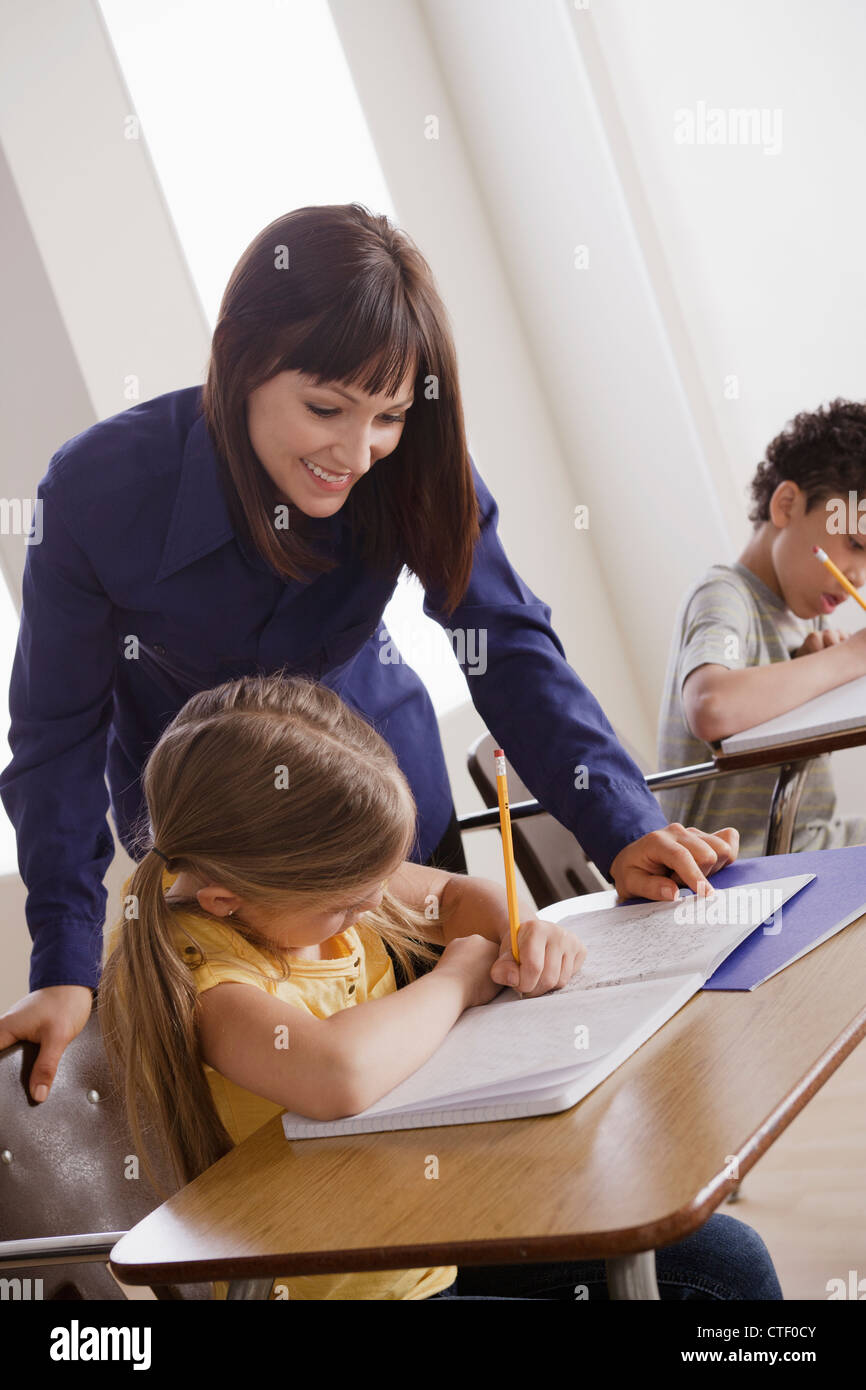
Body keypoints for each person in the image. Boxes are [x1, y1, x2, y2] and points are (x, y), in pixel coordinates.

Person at [0, 203, 738, 1102]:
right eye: (326, 409)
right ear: (239, 363)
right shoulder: (98, 491)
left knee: (458, 1064)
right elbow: (56, 736)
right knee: (300, 1094)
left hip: (383, 789)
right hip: (227, 843)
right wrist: (65, 961)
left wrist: (622, 827)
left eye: (387, 416)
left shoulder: (414, 459)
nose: (356, 453)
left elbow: (502, 639)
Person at [99, 671, 781, 1301]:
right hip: (358, 1284)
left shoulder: (288, 880)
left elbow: (454, 895)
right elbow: (338, 1072)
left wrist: (520, 930)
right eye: (346, 905)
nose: (370, 911)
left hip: (436, 1217)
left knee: (726, 1262)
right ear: (224, 901)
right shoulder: (203, 973)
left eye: (373, 888)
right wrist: (457, 976)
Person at [657, 399, 866, 856]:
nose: (858, 575)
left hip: (799, 839)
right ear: (786, 505)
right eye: (854, 543)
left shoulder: (805, 616)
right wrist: (848, 658)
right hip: (739, 861)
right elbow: (712, 705)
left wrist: (815, 670)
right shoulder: (726, 595)